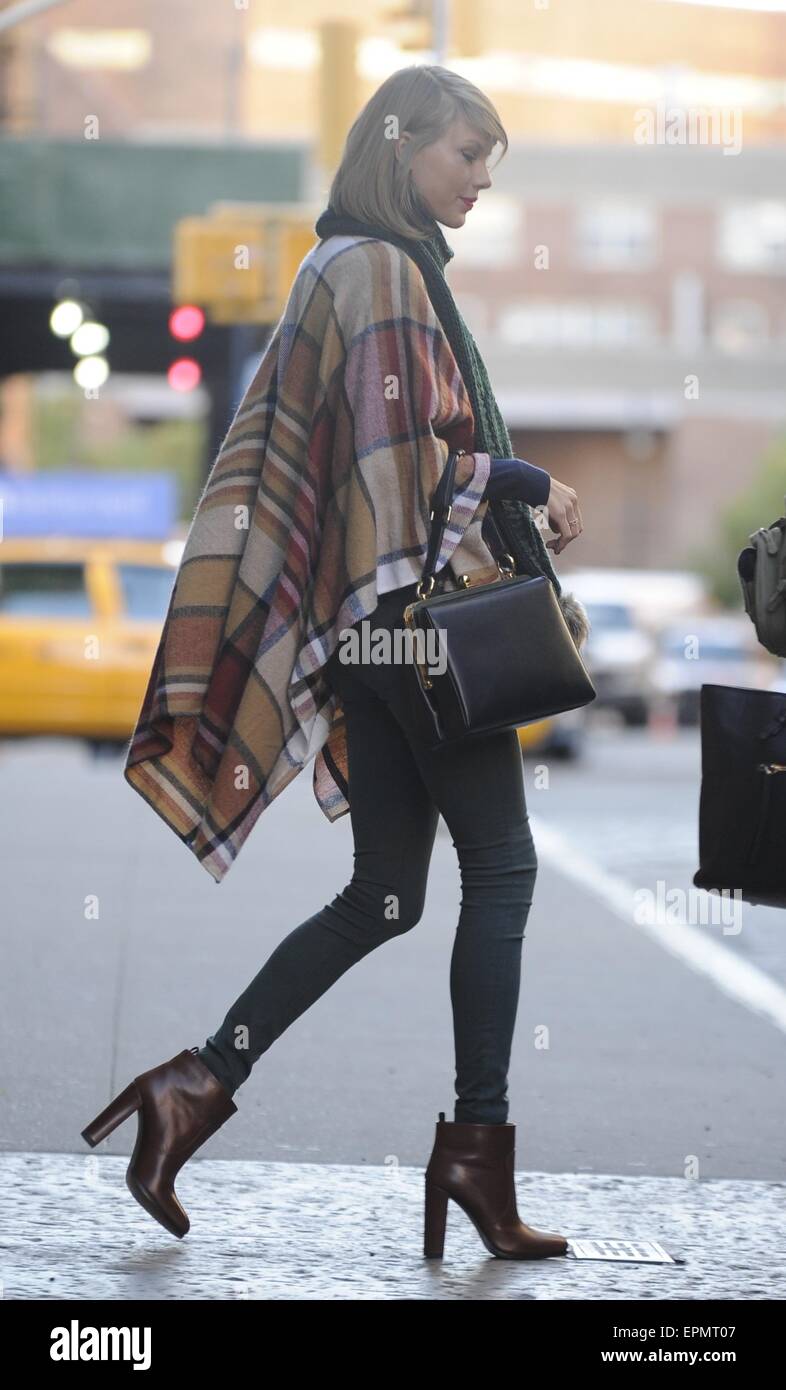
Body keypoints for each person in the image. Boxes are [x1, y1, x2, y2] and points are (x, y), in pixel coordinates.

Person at [81, 65, 587, 1261]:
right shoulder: (377, 268)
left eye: (490, 167)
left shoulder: (343, 266)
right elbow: (404, 461)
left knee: (389, 896)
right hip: (412, 624)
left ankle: (191, 1089)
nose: (477, 184)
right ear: (401, 145)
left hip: (370, 628)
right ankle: (477, 1149)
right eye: (466, 157)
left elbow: (378, 459)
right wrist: (530, 483)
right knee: (503, 872)